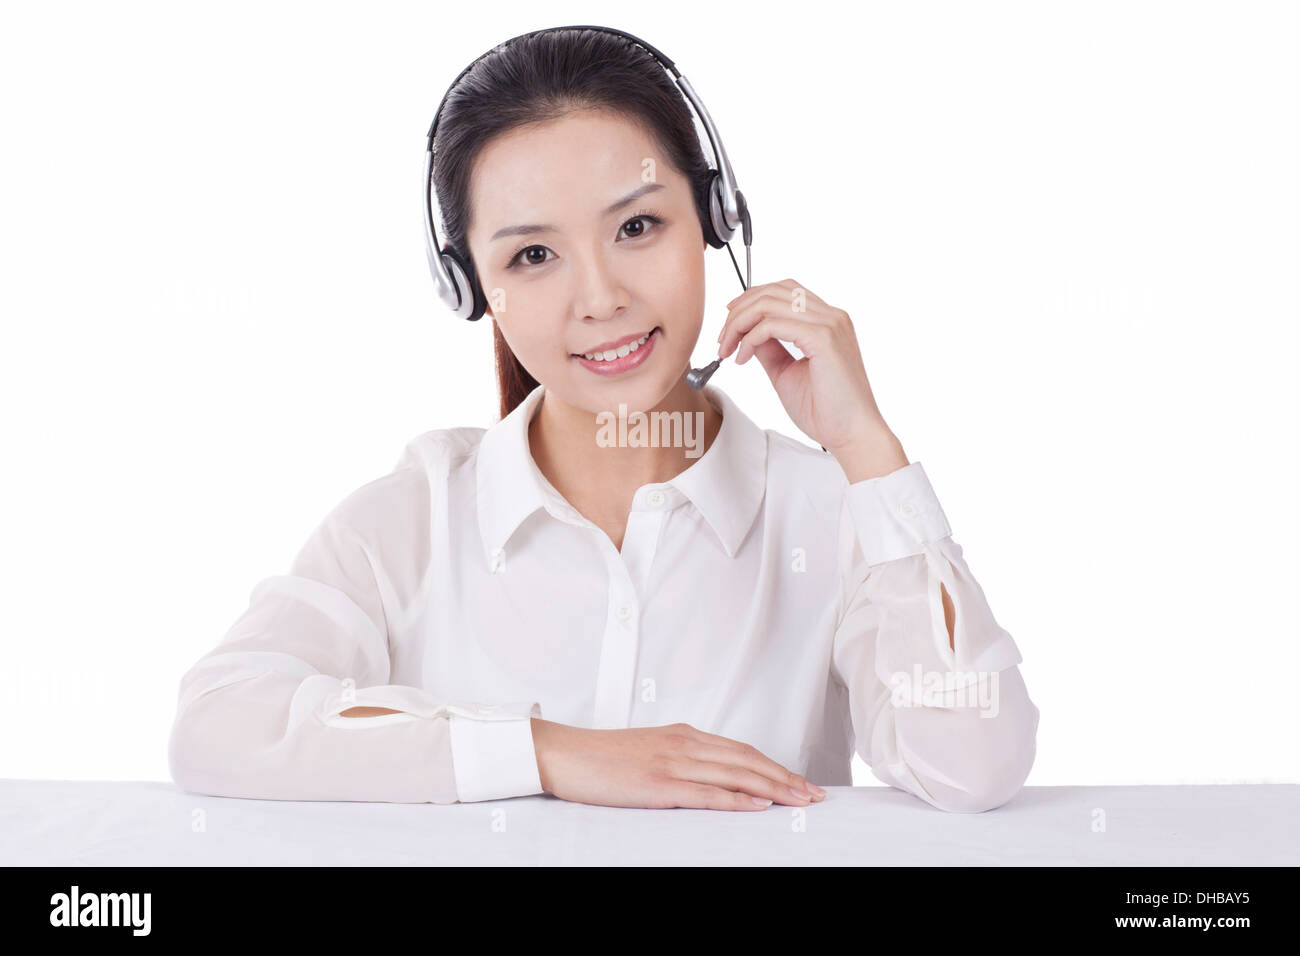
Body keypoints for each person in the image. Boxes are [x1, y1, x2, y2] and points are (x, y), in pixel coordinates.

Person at [168, 26, 1039, 813]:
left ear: (715, 220)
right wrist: (549, 754)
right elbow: (219, 722)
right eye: (534, 255)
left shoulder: (833, 514)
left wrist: (866, 450)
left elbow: (974, 767)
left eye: (638, 225)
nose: (601, 298)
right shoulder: (412, 519)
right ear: (473, 289)